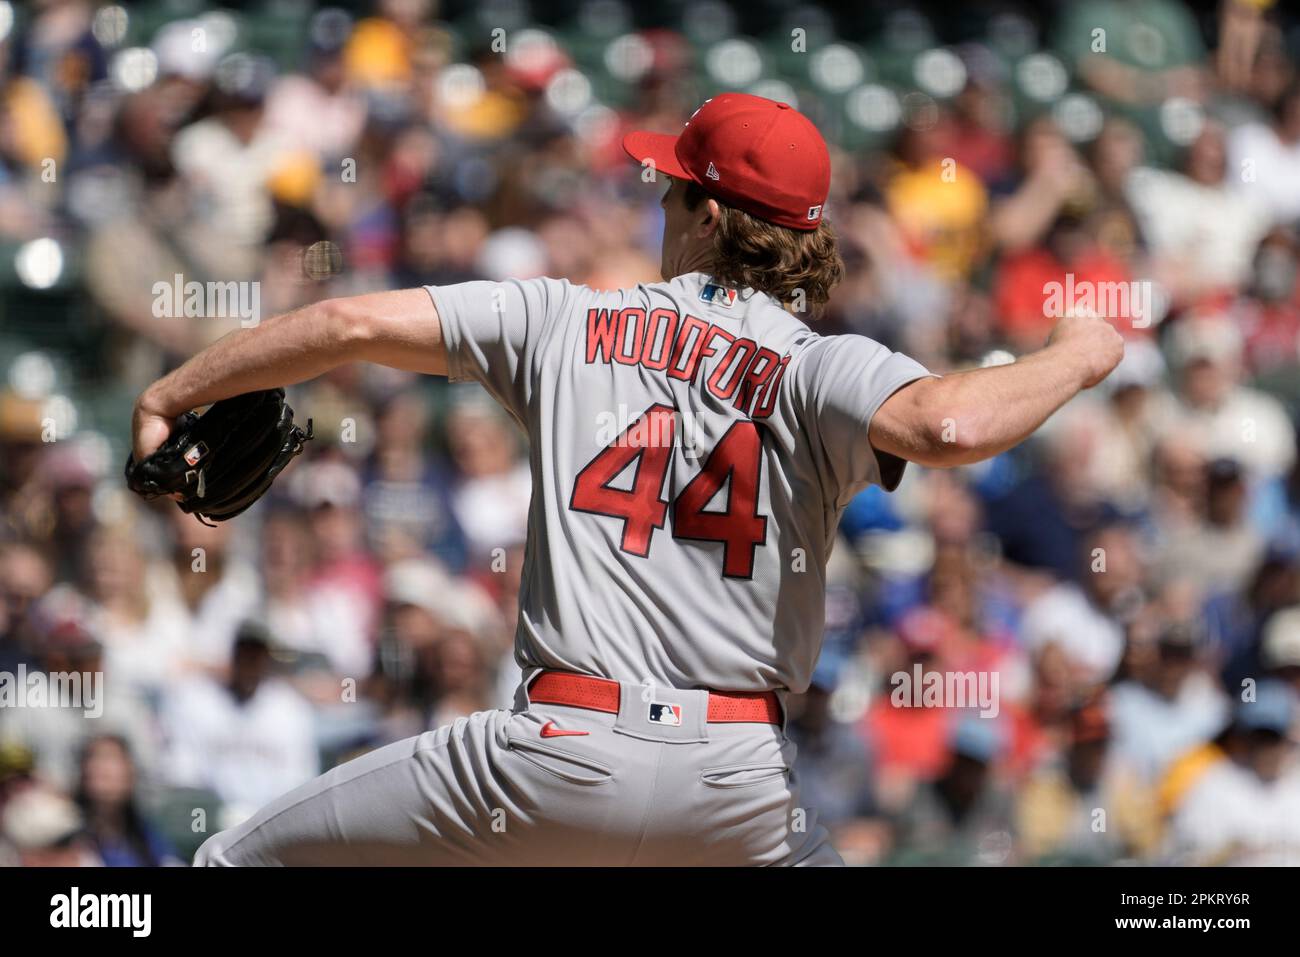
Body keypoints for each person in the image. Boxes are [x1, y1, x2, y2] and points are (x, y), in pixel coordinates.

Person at [130, 93, 1124, 866]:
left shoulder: (561, 319)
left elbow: (343, 325)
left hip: (556, 754)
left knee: (231, 860)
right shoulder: (826, 364)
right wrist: (1081, 353)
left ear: (705, 212)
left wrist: (175, 390)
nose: (659, 201)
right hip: (737, 791)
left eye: (671, 186)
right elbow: (950, 422)